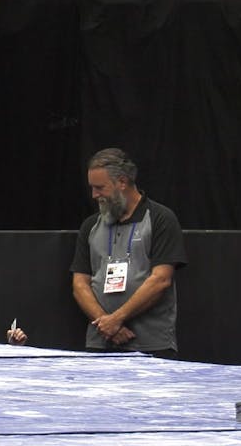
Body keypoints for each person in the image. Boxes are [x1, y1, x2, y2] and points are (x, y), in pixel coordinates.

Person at [71, 148, 187, 357]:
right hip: (100, 342)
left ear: (122, 182)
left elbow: (161, 280)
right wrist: (106, 324)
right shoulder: (91, 225)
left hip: (151, 343)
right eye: (92, 188)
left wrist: (117, 319)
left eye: (100, 188)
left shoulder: (160, 218)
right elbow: (80, 284)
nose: (94, 195)